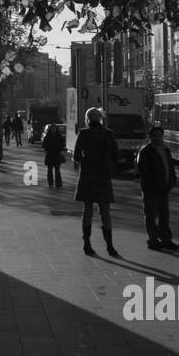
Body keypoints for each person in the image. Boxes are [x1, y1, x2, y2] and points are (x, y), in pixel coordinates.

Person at [73, 106, 120, 258]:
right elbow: (116, 156)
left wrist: (87, 160)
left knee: (87, 211)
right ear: (100, 118)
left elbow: (76, 156)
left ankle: (87, 244)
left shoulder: (83, 133)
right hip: (103, 178)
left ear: (87, 119)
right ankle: (110, 246)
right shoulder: (109, 134)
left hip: (87, 177)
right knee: (105, 212)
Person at [136, 124, 179, 251]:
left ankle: (166, 240)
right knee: (151, 216)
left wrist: (172, 182)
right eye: (154, 136)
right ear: (150, 137)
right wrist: (155, 185)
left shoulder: (165, 150)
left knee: (164, 216)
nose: (157, 138)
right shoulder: (145, 151)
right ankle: (153, 240)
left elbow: (170, 168)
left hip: (164, 189)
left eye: (159, 136)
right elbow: (143, 171)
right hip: (151, 190)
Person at [42, 121, 66, 188]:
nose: (53, 130)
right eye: (52, 129)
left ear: (56, 129)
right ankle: (50, 183)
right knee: (50, 170)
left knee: (57, 170)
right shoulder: (47, 137)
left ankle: (58, 183)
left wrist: (60, 150)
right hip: (49, 155)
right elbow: (44, 145)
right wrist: (47, 150)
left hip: (57, 155)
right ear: (50, 130)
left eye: (54, 129)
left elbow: (62, 145)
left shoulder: (59, 136)